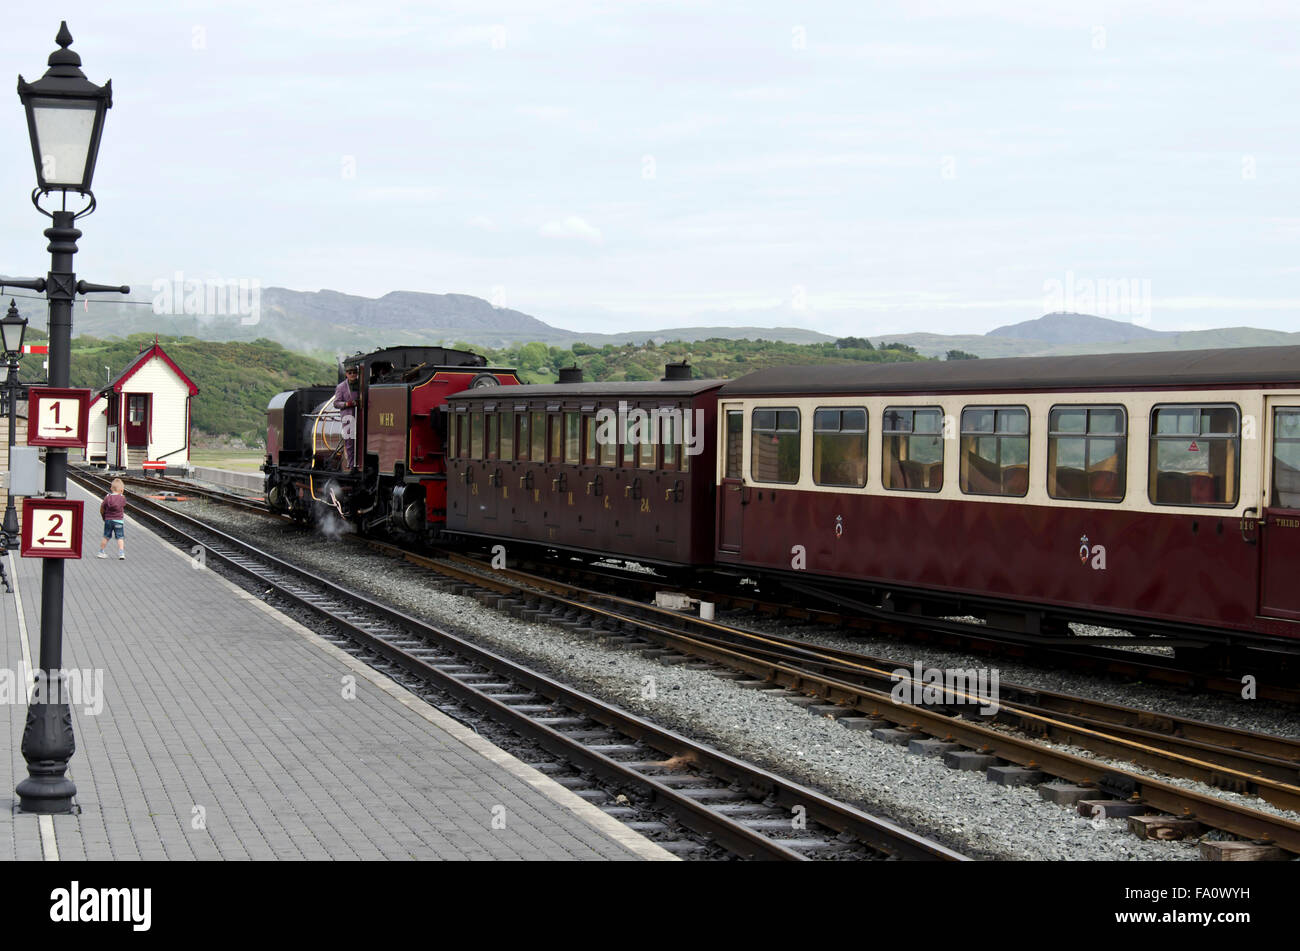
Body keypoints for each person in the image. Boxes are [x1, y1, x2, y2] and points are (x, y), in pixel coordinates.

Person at [334, 364, 361, 469]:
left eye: (354, 372)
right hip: (348, 415)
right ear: (346, 374)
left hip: (360, 414)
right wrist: (346, 404)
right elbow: (336, 403)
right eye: (350, 373)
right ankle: (351, 464)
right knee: (349, 441)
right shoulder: (341, 387)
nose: (353, 374)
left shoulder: (361, 385)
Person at [98, 478, 126, 560]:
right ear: (122, 490)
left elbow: (102, 508)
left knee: (106, 536)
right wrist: (122, 495)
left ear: (111, 488)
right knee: (120, 537)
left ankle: (101, 551)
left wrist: (104, 517)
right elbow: (123, 505)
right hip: (119, 521)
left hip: (108, 520)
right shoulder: (122, 498)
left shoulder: (107, 497)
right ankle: (121, 553)